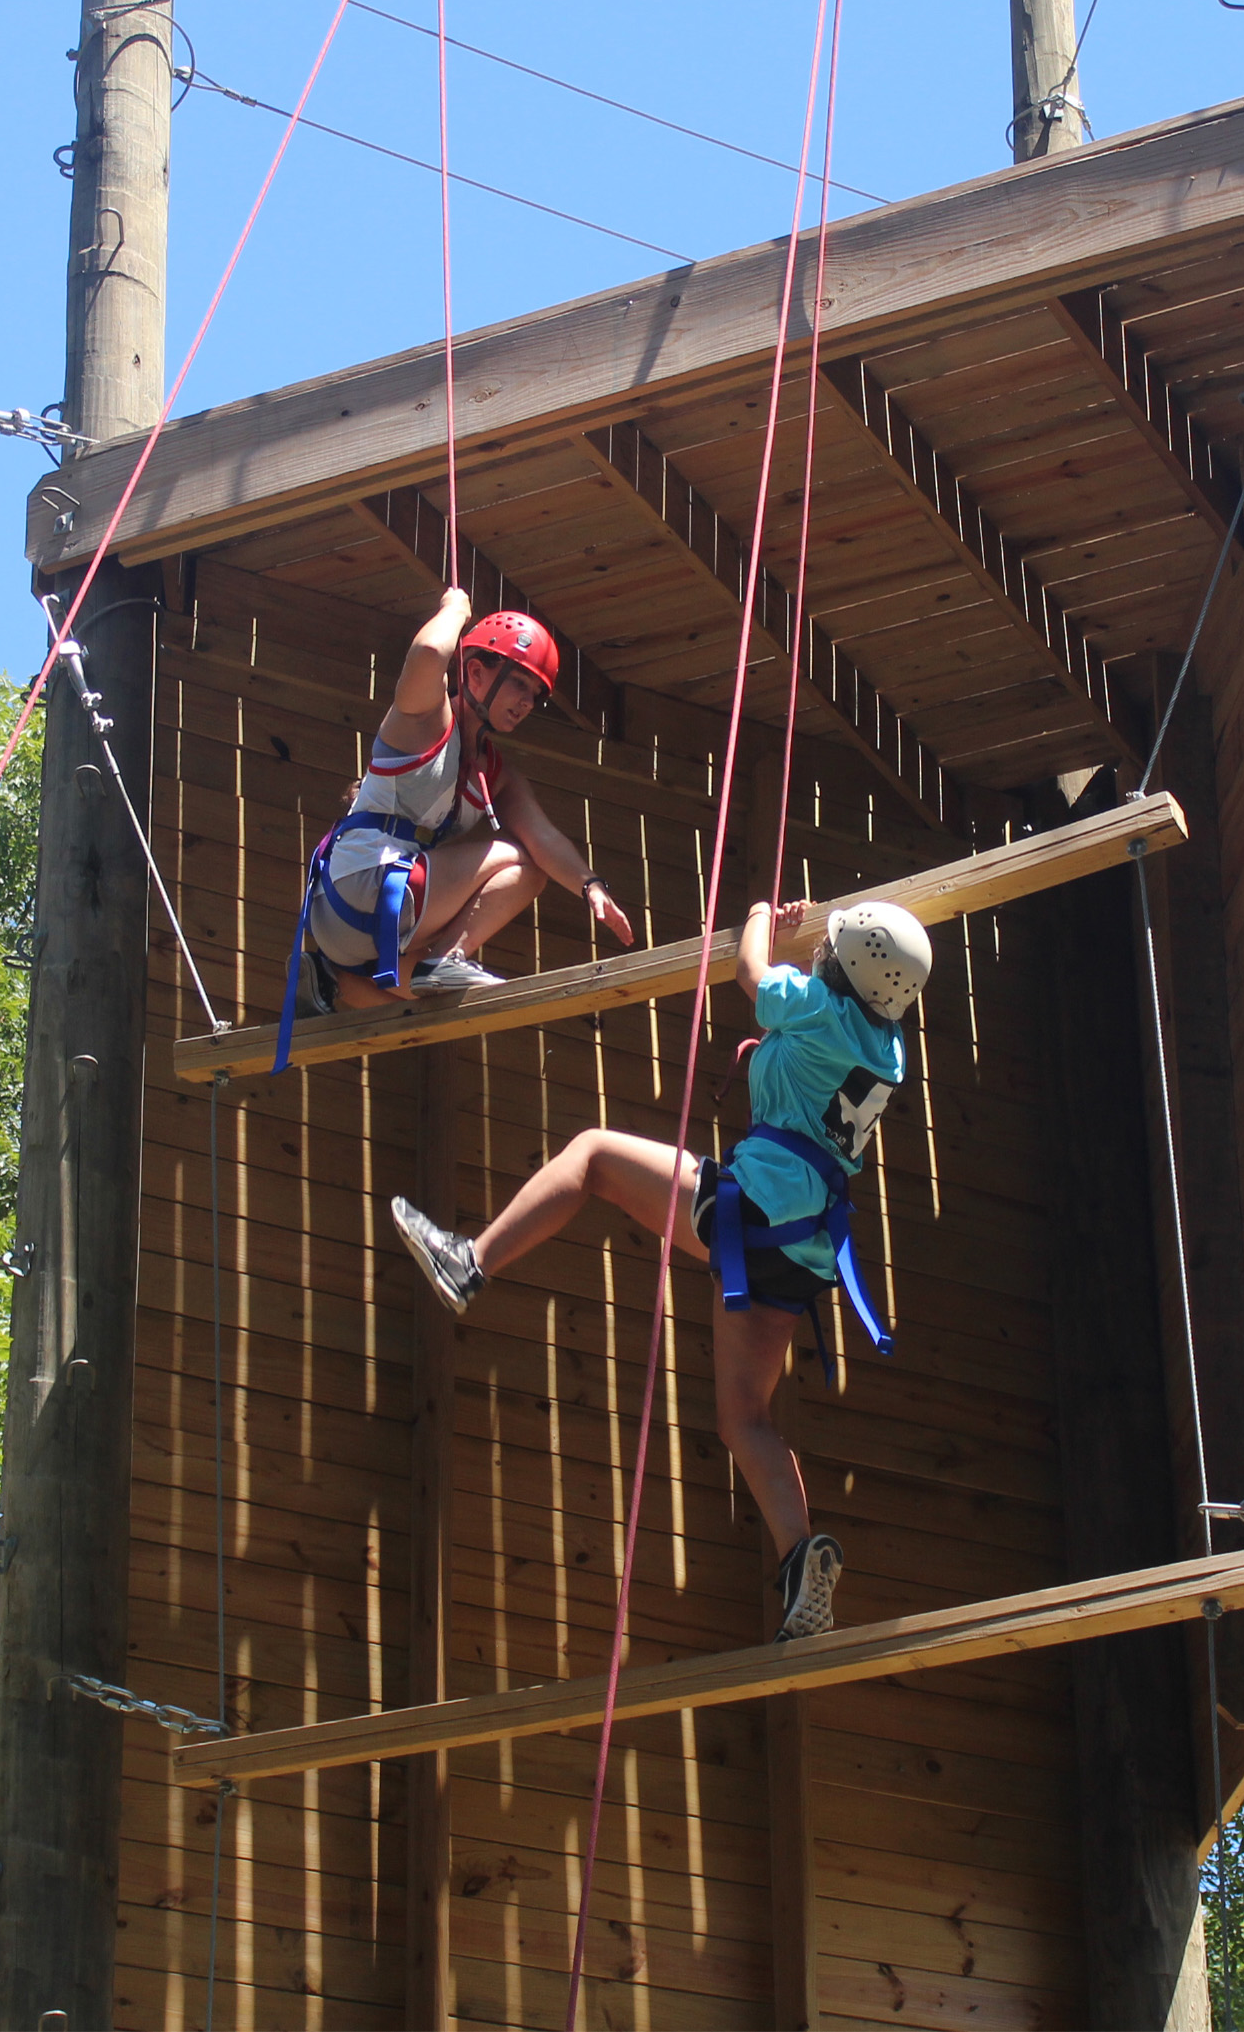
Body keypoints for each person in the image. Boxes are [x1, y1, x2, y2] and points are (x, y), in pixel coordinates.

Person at [390, 893, 934, 1643]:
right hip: (804, 1251)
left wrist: (761, 915)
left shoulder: (813, 1007)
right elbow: (819, 1040)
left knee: (593, 1156)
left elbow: (750, 971)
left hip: (758, 1211)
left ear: (841, 965)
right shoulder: (886, 1047)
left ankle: (470, 1262)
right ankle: (800, 1560)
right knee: (744, 1418)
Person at [276, 588, 635, 1066]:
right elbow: (429, 651)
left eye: (535, 695)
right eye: (519, 683)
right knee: (520, 862)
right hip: (366, 884)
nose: (526, 702)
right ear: (475, 672)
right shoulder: (425, 719)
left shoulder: (496, 772)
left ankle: (330, 979)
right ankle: (444, 959)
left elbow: (545, 836)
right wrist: (456, 609)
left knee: (432, 1013)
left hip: (354, 926)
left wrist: (590, 885)